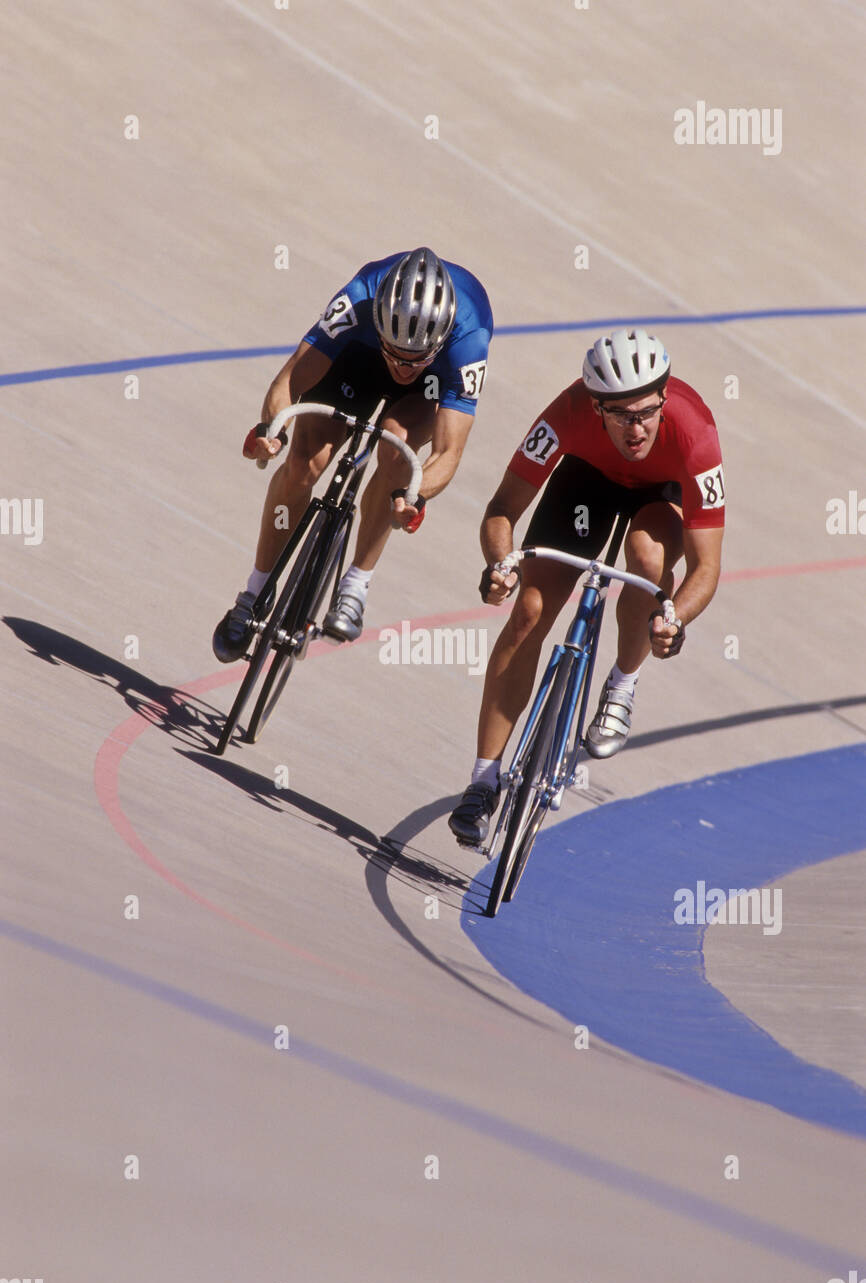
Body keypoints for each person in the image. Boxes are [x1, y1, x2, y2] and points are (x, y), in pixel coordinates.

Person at [448, 328, 726, 847]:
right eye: (621, 415)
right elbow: (502, 508)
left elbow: (706, 567)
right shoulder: (567, 413)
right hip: (585, 481)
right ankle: (483, 781)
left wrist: (673, 619)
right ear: (596, 408)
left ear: (664, 398)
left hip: (658, 496)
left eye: (646, 411)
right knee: (529, 611)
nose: (636, 427)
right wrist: (500, 565)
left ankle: (622, 681)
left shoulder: (695, 431)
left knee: (647, 558)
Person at [213, 247, 493, 661]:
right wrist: (273, 431)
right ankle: (253, 593)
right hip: (358, 358)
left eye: (413, 358)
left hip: (429, 387)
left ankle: (356, 585)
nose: (402, 366)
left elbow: (449, 452)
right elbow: (290, 380)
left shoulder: (469, 337)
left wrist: (413, 496)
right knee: (304, 463)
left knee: (397, 449)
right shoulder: (358, 297)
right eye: (396, 354)